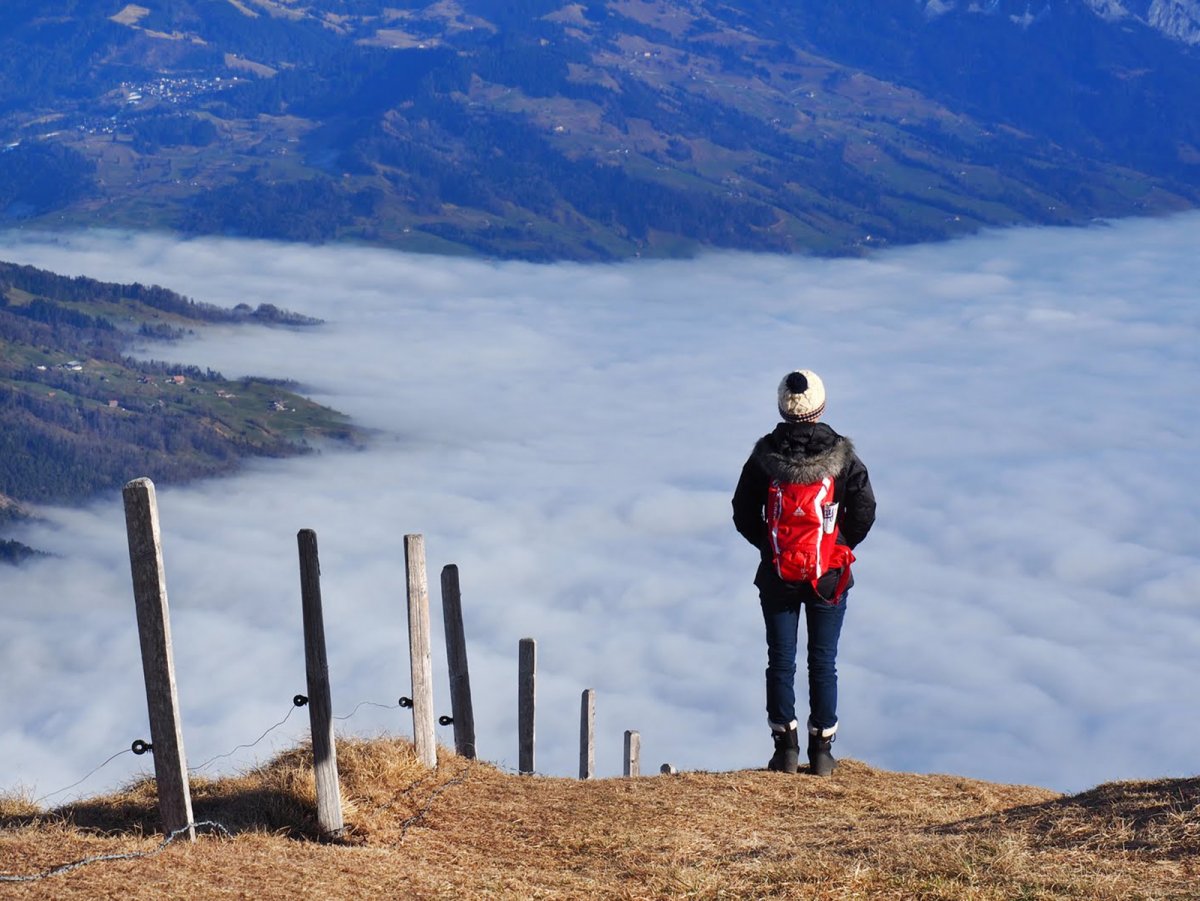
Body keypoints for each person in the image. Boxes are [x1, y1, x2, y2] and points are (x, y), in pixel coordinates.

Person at [731, 370, 876, 776]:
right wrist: (837, 546)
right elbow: (865, 511)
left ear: (782, 406)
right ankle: (823, 751)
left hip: (777, 576)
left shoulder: (764, 456)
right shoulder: (843, 456)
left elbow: (743, 512)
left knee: (780, 661)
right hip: (828, 577)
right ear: (821, 406)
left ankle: (786, 749)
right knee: (823, 662)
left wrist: (771, 547)